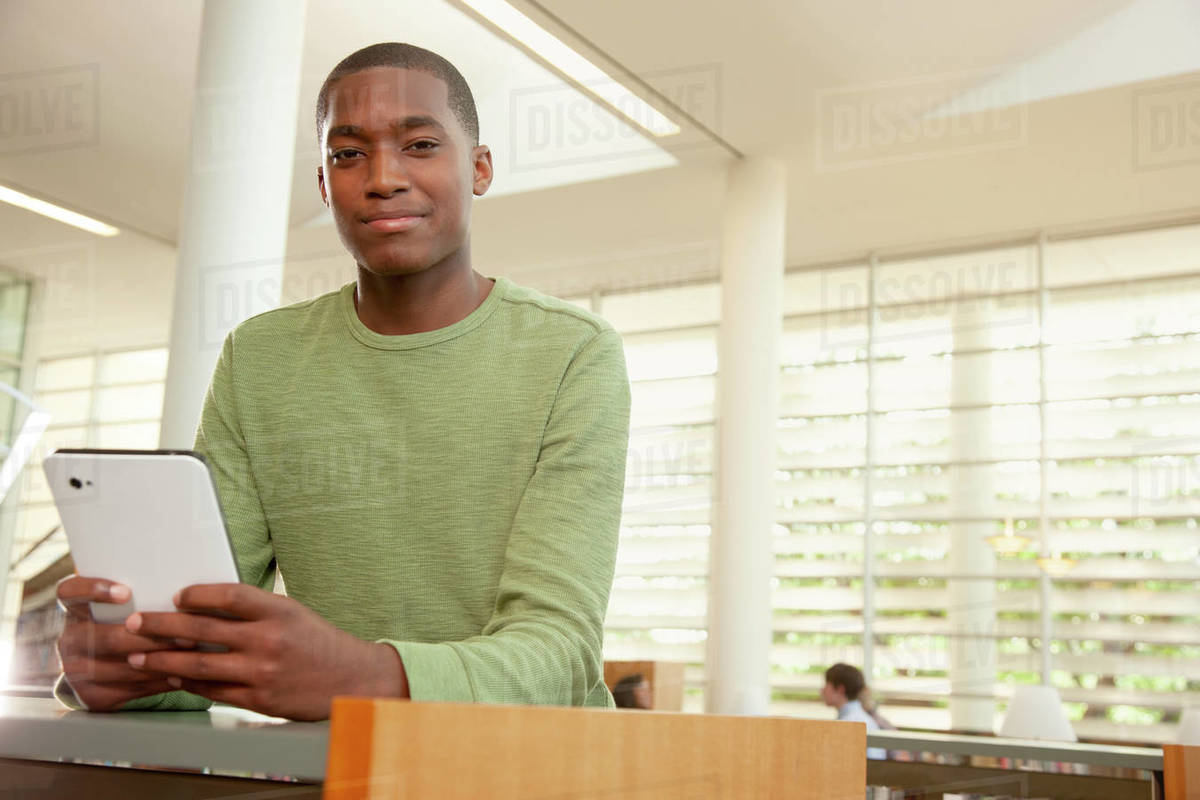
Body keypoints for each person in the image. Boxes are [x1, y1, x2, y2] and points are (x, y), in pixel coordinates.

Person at [53, 42, 631, 721]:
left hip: (526, 768)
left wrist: (359, 675)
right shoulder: (260, 357)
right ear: (326, 186)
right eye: (348, 154)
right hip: (339, 765)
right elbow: (210, 637)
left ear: (478, 169)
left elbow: (558, 660)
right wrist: (132, 665)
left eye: (419, 144)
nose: (383, 177)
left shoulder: (573, 352)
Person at [821, 663, 887, 760]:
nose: (822, 690)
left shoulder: (849, 723)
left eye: (826, 684)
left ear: (840, 689)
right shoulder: (860, 718)